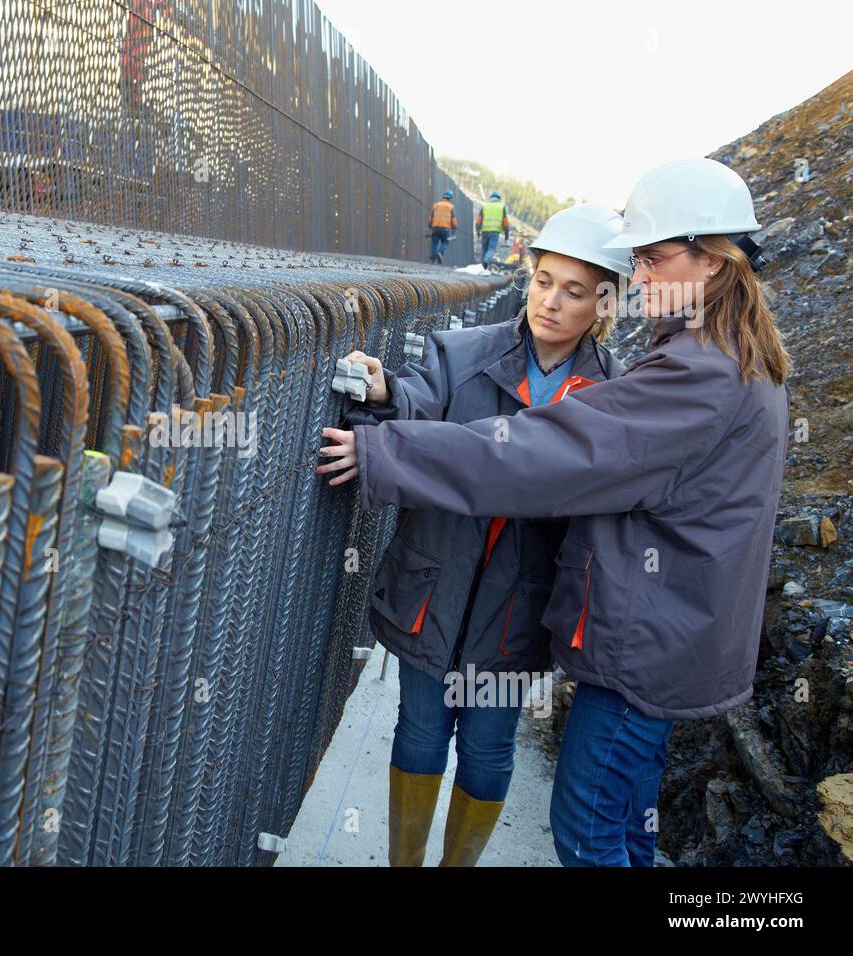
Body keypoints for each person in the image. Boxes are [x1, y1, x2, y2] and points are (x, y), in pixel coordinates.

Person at [318, 158, 790, 867]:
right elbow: (436, 393)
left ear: (714, 261)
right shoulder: (719, 359)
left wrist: (388, 454)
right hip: (631, 634)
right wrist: (393, 403)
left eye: (655, 259)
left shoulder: (689, 373)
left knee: (588, 834)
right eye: (544, 282)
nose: (646, 277)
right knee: (617, 828)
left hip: (630, 641)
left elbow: (540, 452)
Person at [328, 204, 629, 866]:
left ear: (603, 303)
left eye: (574, 291)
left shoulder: (609, 397)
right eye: (543, 279)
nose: (550, 301)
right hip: (434, 583)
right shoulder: (462, 354)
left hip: (518, 608)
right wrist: (383, 393)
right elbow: (418, 403)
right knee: (420, 730)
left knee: (490, 747)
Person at [476, 190, 510, 267]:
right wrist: (506, 233)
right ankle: (486, 260)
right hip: (495, 232)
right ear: (499, 198)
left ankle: (483, 266)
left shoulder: (485, 206)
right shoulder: (501, 207)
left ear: (491, 198)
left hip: (484, 231)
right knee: (491, 249)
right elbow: (505, 222)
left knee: (484, 249)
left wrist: (477, 230)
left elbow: (479, 219)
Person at [429, 189, 458, 264]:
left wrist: (429, 226)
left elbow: (431, 217)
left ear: (443, 196)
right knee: (445, 242)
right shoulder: (451, 207)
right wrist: (454, 228)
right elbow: (453, 219)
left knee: (434, 243)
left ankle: (432, 259)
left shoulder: (436, 205)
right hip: (445, 228)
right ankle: (440, 253)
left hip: (435, 227)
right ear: (450, 198)